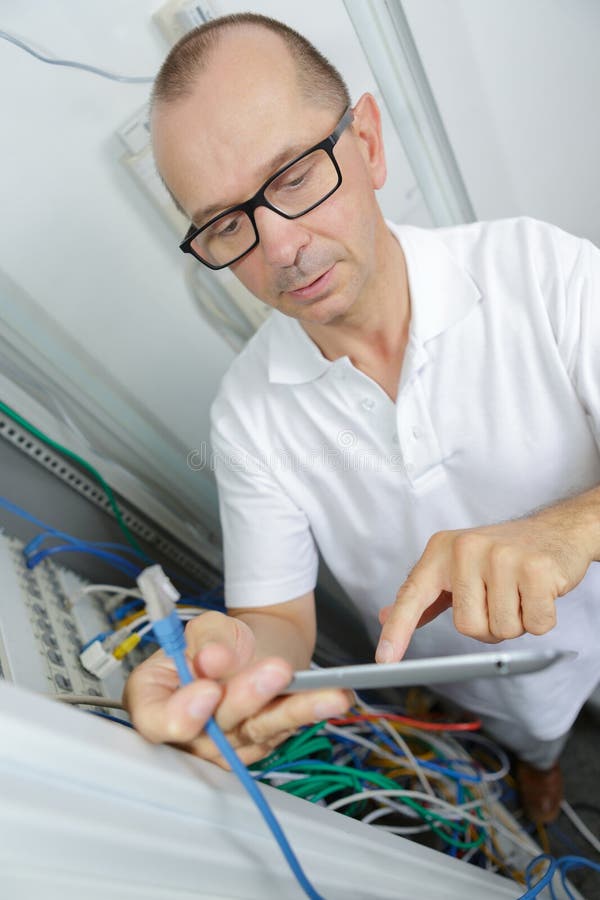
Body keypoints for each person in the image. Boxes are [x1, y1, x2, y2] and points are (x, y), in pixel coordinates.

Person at [124, 13, 600, 823]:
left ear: (369, 144)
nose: (278, 248)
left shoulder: (543, 271)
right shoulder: (247, 415)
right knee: (538, 746)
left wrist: (565, 529)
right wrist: (238, 664)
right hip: (487, 680)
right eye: (228, 224)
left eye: (296, 175)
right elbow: (276, 618)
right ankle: (544, 771)